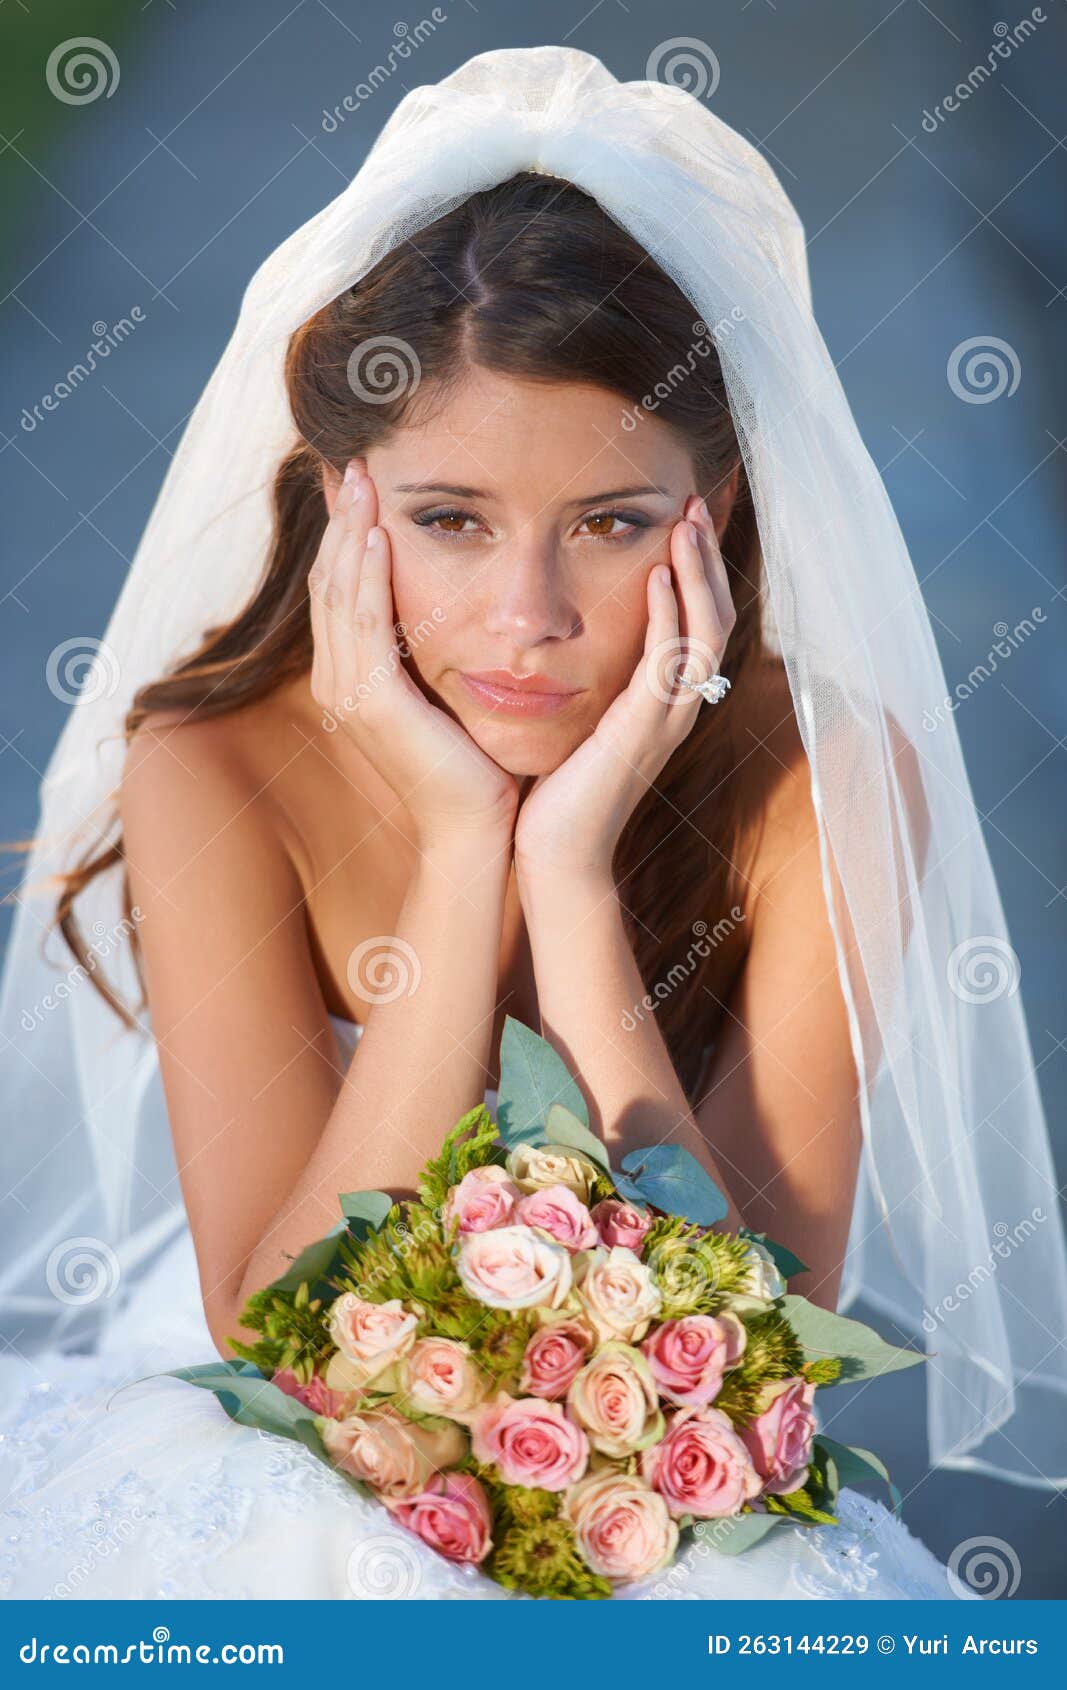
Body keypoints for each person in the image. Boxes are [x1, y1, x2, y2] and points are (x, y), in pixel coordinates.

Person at [1, 46, 1062, 1601]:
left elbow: (767, 1352)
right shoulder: (214, 762)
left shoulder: (822, 774)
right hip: (293, 1420)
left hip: (668, 1472)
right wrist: (455, 848)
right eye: (448, 522)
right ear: (343, 497)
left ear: (723, 512)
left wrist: (566, 875)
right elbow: (276, 1329)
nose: (528, 618)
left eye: (615, 525)